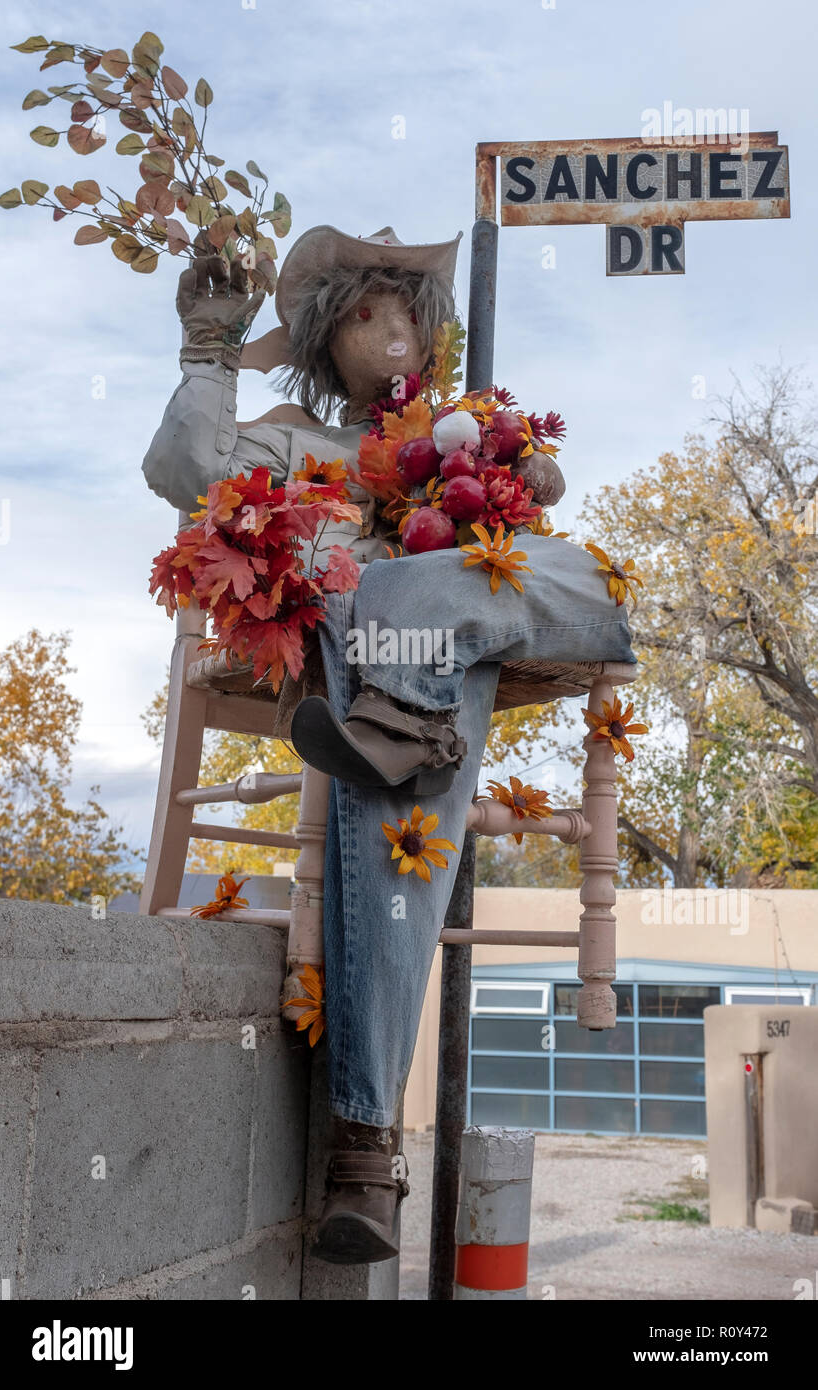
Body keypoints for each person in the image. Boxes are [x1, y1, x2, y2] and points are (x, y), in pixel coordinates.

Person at [142, 225, 635, 1266]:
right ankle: (364, 1156)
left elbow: (532, 541)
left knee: (565, 574)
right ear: (329, 339)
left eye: (412, 311)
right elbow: (184, 472)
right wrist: (207, 357)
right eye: (370, 313)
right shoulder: (292, 440)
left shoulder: (463, 427)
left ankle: (398, 724)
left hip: (460, 618)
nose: (396, 331)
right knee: (388, 658)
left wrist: (520, 473)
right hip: (391, 679)